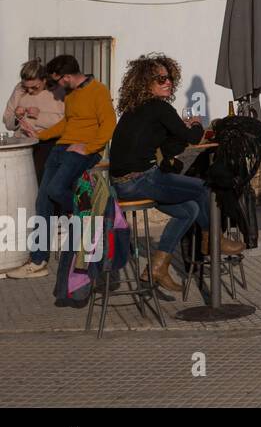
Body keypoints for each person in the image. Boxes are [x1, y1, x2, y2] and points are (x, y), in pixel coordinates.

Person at [107, 54, 244, 293]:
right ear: (145, 83)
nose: (167, 82)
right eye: (161, 79)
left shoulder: (135, 109)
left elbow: (166, 143)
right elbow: (192, 138)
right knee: (205, 188)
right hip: (140, 181)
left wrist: (178, 130)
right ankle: (213, 239)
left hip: (121, 185)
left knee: (189, 210)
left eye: (169, 78)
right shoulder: (159, 107)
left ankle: (157, 267)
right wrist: (196, 124)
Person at [10, 55, 116, 280]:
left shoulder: (98, 90)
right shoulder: (71, 94)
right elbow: (67, 123)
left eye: (58, 80)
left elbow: (108, 124)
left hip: (82, 150)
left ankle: (90, 217)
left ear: (67, 77)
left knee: (56, 190)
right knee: (43, 201)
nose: (56, 85)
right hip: (61, 148)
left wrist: (89, 148)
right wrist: (42, 136)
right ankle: (38, 261)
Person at [3, 60, 64, 179]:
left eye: (35, 87)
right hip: (22, 144)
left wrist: (39, 116)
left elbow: (66, 121)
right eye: (27, 87)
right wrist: (17, 117)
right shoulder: (19, 90)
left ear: (44, 80)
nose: (30, 91)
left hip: (49, 145)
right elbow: (8, 122)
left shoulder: (57, 91)